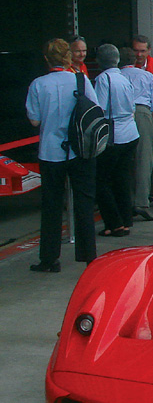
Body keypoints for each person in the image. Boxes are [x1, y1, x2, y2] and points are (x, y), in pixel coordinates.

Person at [25, 38, 98, 271]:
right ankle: (88, 256)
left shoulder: (38, 84)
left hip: (50, 151)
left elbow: (35, 120)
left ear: (46, 59)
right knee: (84, 202)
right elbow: (95, 110)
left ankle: (49, 258)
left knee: (52, 205)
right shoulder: (81, 79)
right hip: (80, 150)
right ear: (68, 57)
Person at [92, 44, 139, 237]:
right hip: (131, 133)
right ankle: (126, 218)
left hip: (114, 136)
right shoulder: (123, 78)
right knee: (122, 178)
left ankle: (114, 223)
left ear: (99, 61)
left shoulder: (103, 79)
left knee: (101, 181)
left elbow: (100, 108)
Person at [120, 47, 153, 222]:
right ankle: (141, 202)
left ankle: (126, 202)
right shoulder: (146, 76)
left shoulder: (115, 77)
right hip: (142, 113)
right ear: (135, 61)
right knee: (144, 160)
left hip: (121, 116)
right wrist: (151, 125)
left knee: (123, 162)